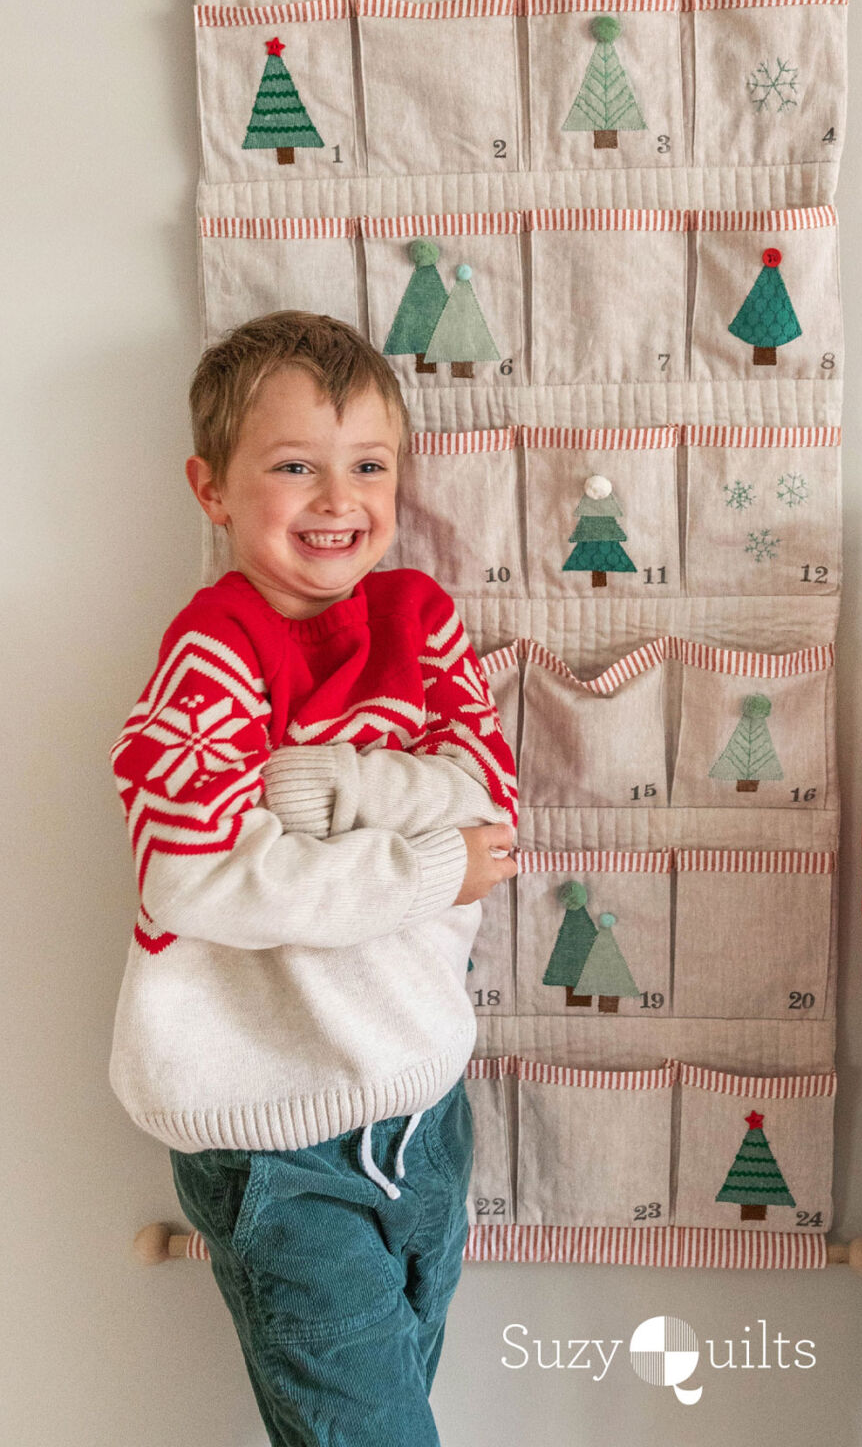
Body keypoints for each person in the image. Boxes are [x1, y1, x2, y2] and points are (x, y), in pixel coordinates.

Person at [109, 310, 519, 1446]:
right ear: (213, 489)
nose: (339, 500)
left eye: (369, 466)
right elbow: (193, 875)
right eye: (295, 467)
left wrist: (314, 785)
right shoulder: (212, 651)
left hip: (423, 1108)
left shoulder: (421, 622)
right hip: (274, 1138)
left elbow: (492, 812)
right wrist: (426, 864)